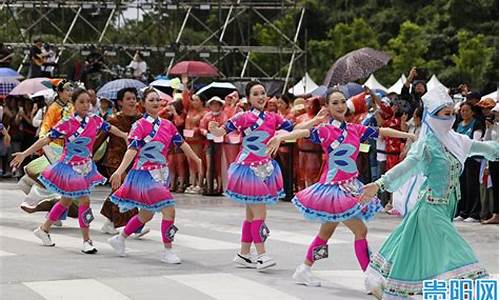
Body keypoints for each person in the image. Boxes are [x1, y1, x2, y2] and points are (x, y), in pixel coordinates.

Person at [266, 89, 416, 287]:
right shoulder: (325, 130)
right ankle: (370, 276)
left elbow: (382, 131)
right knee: (360, 231)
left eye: (342, 102)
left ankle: (304, 268)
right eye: (335, 103)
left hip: (351, 187)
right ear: (327, 107)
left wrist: (407, 135)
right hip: (334, 190)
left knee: (325, 233)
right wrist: (280, 138)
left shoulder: (355, 129)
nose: (340, 106)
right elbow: (301, 131)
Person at [361, 87, 498, 299]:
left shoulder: (458, 141)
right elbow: (405, 168)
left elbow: (486, 148)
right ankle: (479, 289)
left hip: (446, 208)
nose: (451, 118)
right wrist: (378, 184)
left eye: (453, 113)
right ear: (433, 117)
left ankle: (391, 285)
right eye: (446, 114)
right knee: (454, 247)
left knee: (409, 247)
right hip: (431, 208)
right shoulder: (426, 146)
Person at [10, 88, 128, 253]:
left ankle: (43, 229)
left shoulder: (95, 119)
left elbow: (110, 128)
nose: (86, 105)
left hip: (86, 167)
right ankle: (87, 241)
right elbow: (45, 140)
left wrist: (124, 135)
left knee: (65, 201)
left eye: (88, 101)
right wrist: (24, 153)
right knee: (84, 201)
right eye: (81, 102)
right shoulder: (67, 123)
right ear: (73, 103)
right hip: (69, 168)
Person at [107, 87, 203, 263]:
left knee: (146, 215)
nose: (155, 103)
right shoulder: (139, 125)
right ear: (142, 104)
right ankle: (168, 250)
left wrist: (196, 158)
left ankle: (119, 239)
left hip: (160, 174)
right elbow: (132, 150)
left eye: (157, 100)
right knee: (169, 208)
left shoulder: (168, 125)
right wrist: (120, 171)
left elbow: (181, 144)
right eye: (151, 100)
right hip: (144, 174)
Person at [208, 81, 295, 271]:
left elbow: (293, 128)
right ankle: (262, 255)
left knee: (251, 215)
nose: (261, 97)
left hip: (266, 168)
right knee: (260, 214)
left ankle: (244, 253)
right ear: (249, 98)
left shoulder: (273, 117)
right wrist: (214, 128)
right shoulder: (243, 117)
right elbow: (222, 131)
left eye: (263, 93)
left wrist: (316, 121)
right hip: (248, 169)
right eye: (256, 94)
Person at [95, 88, 149, 237]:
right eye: (128, 99)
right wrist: (88, 156)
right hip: (114, 161)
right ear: (120, 102)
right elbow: (98, 139)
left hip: (133, 161)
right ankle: (135, 226)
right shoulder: (113, 120)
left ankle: (109, 223)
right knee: (125, 190)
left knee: (120, 191)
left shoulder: (141, 119)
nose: (132, 101)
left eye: (134, 98)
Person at [454, 101, 485, 223]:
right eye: (462, 110)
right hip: (461, 159)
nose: (464, 113)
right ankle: (463, 211)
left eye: (467, 110)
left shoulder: (476, 124)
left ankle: (474, 213)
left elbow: (475, 141)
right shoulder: (459, 124)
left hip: (472, 159)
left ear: (472, 112)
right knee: (462, 186)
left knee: (472, 186)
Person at [200, 96, 227, 195]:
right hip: (209, 142)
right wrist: (205, 132)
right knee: (209, 165)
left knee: (219, 165)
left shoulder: (223, 116)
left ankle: (219, 187)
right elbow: (201, 127)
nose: (215, 106)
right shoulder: (207, 116)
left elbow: (225, 126)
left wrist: (219, 131)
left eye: (217, 104)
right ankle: (209, 187)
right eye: (213, 104)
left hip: (219, 143)